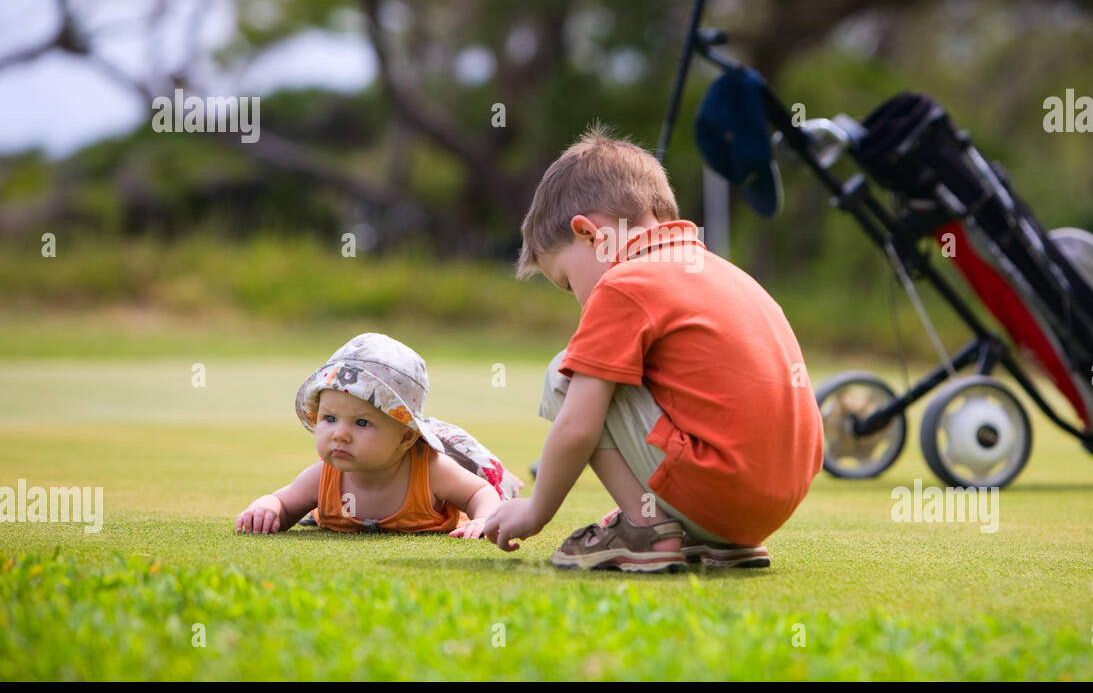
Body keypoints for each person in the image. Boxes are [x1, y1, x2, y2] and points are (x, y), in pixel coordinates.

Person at [483, 123, 823, 571]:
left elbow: (579, 427)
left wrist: (534, 511)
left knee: (565, 371)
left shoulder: (625, 284)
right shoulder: (723, 272)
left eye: (568, 282)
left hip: (717, 489)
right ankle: (711, 536)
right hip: (770, 507)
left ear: (590, 235)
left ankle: (646, 528)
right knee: (611, 370)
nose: (579, 299)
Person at [236, 332, 521, 536]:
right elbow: (283, 503)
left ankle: (509, 478)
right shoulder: (323, 476)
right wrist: (266, 508)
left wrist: (482, 519)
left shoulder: (431, 470)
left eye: (361, 423)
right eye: (330, 419)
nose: (340, 435)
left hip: (456, 458)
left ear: (406, 438)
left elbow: (478, 492)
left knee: (491, 480)